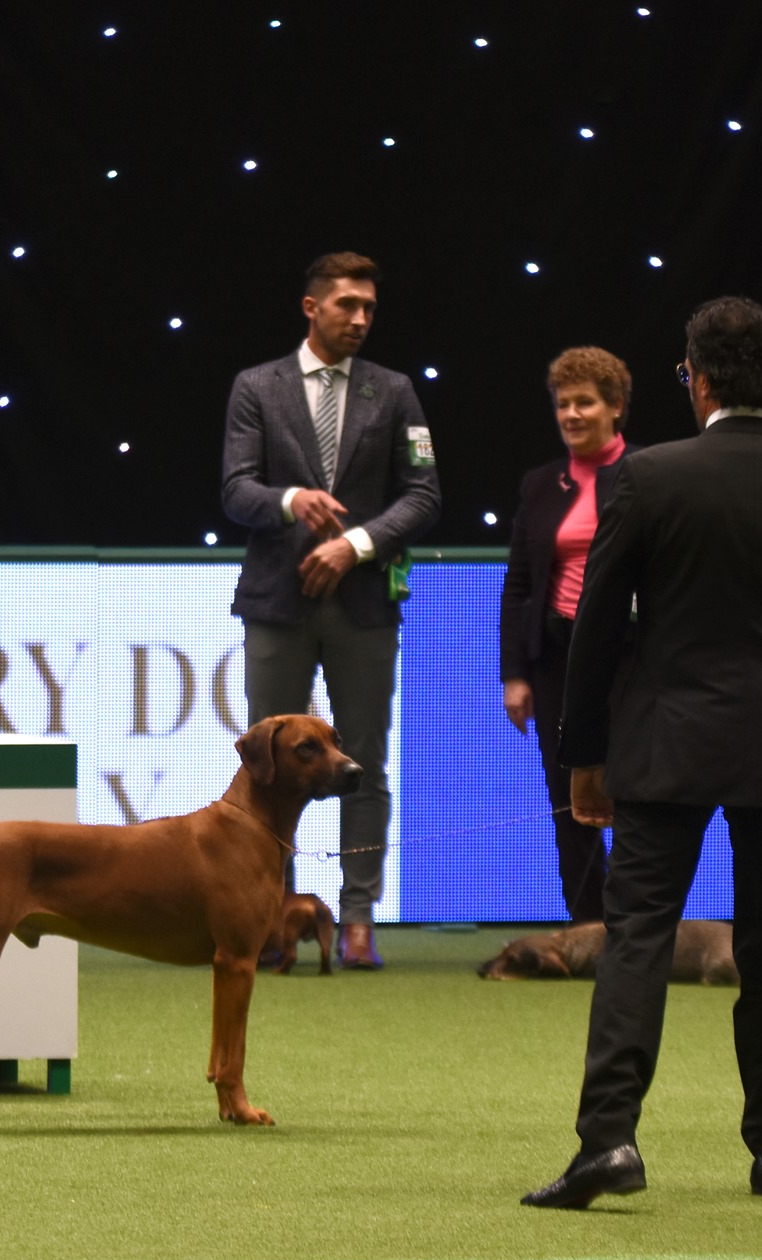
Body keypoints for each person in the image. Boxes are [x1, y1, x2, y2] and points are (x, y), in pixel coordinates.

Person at [521, 298, 762, 1209]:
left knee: (636, 935)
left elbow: (596, 629)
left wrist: (583, 753)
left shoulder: (650, 478)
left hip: (664, 743)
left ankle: (610, 1142)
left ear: (701, 379)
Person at [220, 252, 441, 968]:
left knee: (362, 764)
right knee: (268, 767)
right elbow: (235, 491)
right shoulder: (256, 386)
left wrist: (358, 544)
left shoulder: (396, 391)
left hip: (363, 604)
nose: (361, 318)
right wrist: (288, 500)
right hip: (276, 603)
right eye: (347, 304)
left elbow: (424, 494)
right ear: (310, 307)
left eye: (370, 307)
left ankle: (355, 915)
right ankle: (275, 911)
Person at [499, 347, 636, 923]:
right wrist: (515, 674)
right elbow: (519, 583)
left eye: (585, 402)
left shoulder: (648, 476)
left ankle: (635, 924)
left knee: (631, 789)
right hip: (557, 654)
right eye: (563, 404)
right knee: (566, 796)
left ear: (616, 409)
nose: (572, 414)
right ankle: (586, 925)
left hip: (632, 655)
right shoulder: (539, 484)